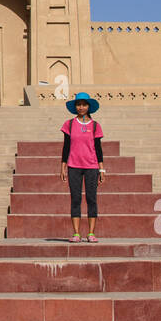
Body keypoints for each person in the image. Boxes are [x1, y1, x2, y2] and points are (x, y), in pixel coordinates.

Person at [59, 92, 105, 242]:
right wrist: (63, 167)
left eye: (84, 105)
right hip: (74, 165)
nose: (81, 107)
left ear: (89, 107)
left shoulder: (95, 125)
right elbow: (66, 147)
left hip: (91, 166)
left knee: (92, 198)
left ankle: (91, 233)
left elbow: (98, 148)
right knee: (76, 198)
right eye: (78, 104)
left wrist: (101, 169)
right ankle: (76, 233)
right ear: (75, 107)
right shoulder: (69, 124)